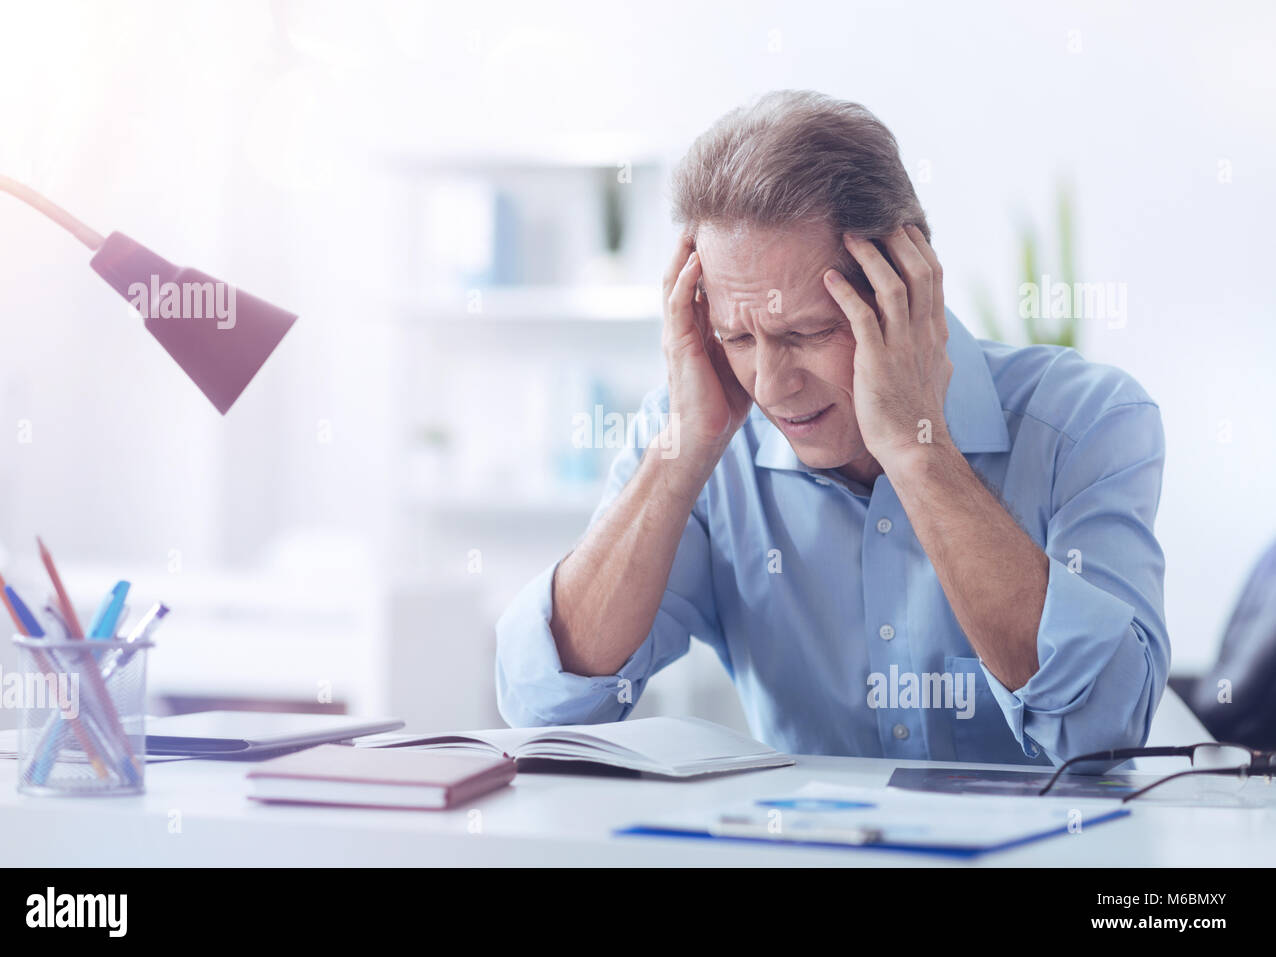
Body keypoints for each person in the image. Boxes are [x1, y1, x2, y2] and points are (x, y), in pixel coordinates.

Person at [496, 90, 1169, 764]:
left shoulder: (1085, 425)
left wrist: (917, 449)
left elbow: (1100, 731)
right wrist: (681, 454)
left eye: (808, 332)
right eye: (737, 336)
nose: (770, 383)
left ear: (907, 284)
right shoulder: (698, 436)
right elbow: (547, 707)